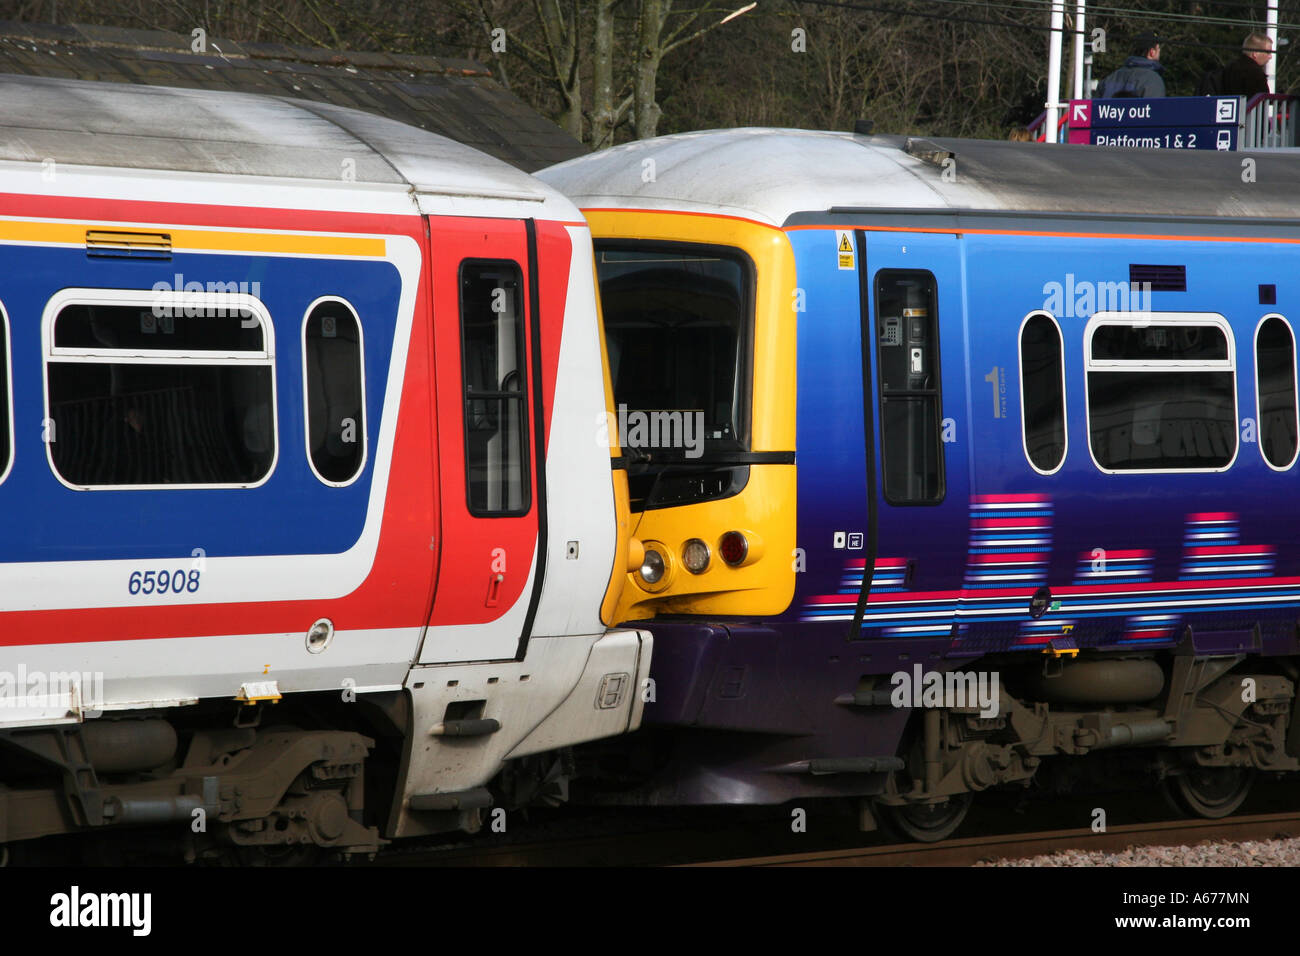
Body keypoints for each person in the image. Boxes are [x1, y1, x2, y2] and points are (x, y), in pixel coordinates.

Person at [1096, 32, 1166, 98]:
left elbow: (1096, 108)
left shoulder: (1109, 78)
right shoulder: (1153, 80)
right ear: (1152, 52)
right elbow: (1154, 109)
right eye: (1158, 48)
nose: (1159, 51)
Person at [1221, 31, 1273, 97]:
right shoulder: (1255, 72)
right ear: (1255, 53)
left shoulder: (1228, 67)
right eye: (1268, 52)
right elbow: (1262, 100)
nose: (1270, 56)